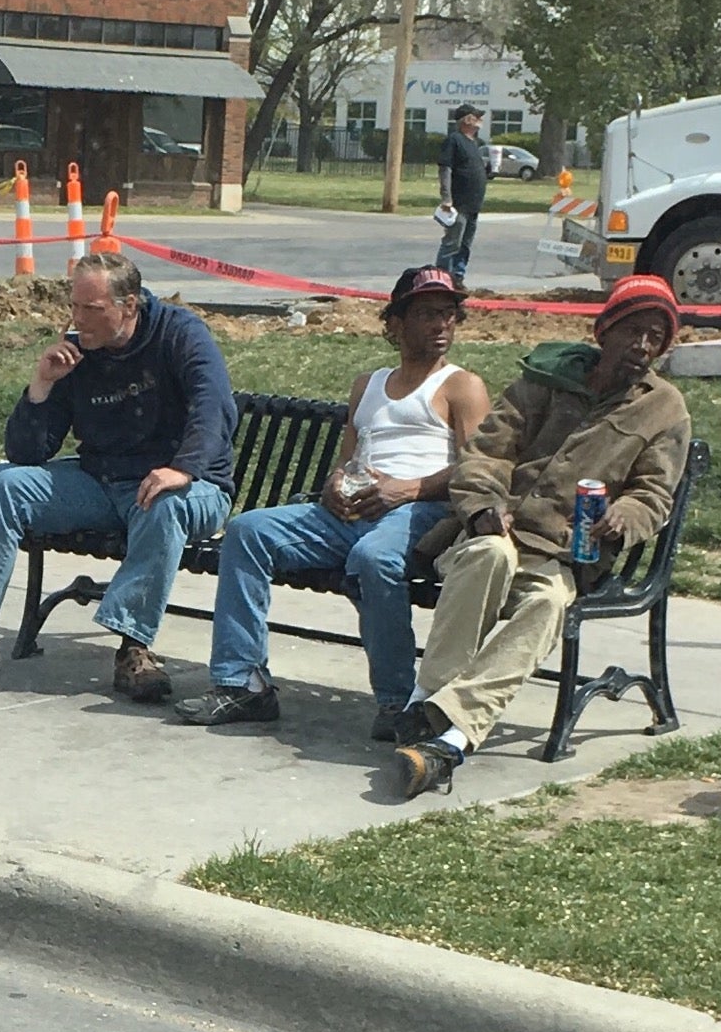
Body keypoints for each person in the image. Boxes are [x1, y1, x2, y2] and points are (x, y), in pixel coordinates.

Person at [392, 274, 692, 797]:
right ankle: (428, 700)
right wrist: (484, 504)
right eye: (633, 332)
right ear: (605, 332)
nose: (643, 347)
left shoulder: (663, 409)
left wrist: (624, 517)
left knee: (550, 602)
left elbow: (654, 493)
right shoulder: (545, 379)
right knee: (487, 557)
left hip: (561, 551)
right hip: (494, 531)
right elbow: (487, 451)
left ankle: (452, 737)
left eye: (656, 337)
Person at [0, 252, 236, 703]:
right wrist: (42, 386)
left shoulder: (180, 334)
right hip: (103, 481)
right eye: (74, 307)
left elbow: (213, 406)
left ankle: (133, 650)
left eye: (91, 310)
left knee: (164, 504)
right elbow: (26, 454)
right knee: (3, 485)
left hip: (191, 484)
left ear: (129, 305)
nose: (79, 320)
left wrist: (183, 467)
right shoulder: (78, 349)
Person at [175, 268, 491, 735]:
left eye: (448, 314)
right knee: (248, 532)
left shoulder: (462, 386)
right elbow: (349, 459)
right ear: (396, 323)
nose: (442, 325)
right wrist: (335, 484)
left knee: (373, 558)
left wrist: (407, 489)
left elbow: (478, 470)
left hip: (420, 512)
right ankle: (242, 683)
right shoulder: (369, 384)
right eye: (427, 314)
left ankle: (396, 702)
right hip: (355, 510)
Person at [435, 103, 490, 285]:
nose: (480, 120)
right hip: (458, 203)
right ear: (466, 119)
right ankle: (442, 278)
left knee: (465, 245)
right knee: (453, 243)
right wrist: (446, 198)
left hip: (474, 204)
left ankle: (458, 278)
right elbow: (446, 169)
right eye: (476, 116)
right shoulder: (454, 140)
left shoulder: (474, 143)